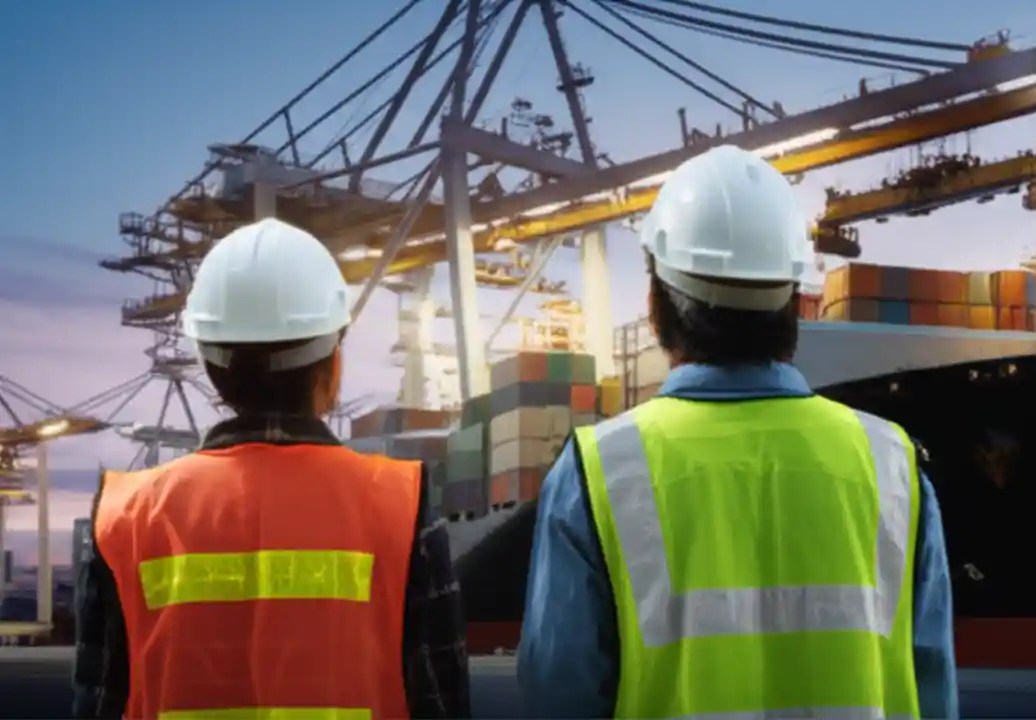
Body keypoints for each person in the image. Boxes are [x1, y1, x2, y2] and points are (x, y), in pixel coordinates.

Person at [518, 145, 958, 719]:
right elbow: (932, 687)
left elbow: (560, 697)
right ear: (799, 301)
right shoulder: (893, 465)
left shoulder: (596, 474)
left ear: (656, 307)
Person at [72, 218, 470, 719]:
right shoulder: (401, 506)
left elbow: (98, 704)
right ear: (333, 363)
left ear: (210, 366)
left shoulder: (123, 518)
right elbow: (442, 702)